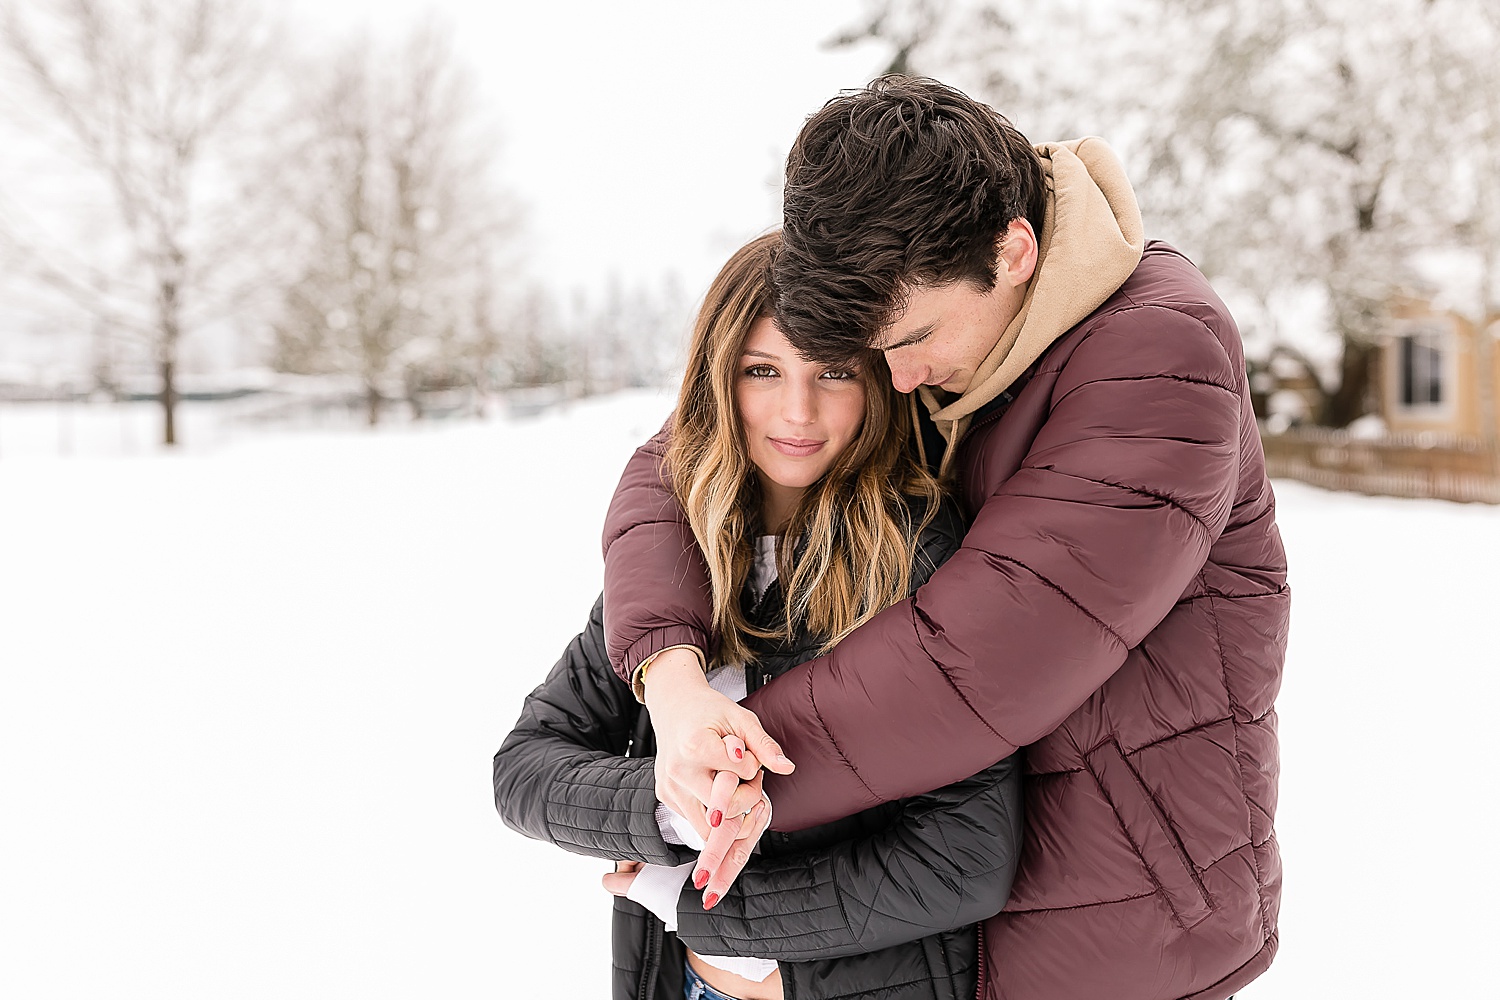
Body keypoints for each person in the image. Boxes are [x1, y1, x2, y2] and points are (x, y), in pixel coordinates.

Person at [600, 76, 1286, 1000]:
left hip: (1121, 926)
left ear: (1014, 250)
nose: (895, 376)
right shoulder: (950, 333)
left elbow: (972, 663)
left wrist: (711, 781)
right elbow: (686, 463)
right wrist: (674, 683)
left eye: (911, 339)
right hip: (942, 933)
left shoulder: (1160, 359)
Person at [493, 232, 1023, 1000]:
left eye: (834, 372)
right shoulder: (675, 561)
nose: (798, 411)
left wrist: (697, 902)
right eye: (763, 371)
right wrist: (676, 805)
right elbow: (525, 767)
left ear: (878, 379)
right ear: (720, 379)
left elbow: (965, 857)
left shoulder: (922, 557)